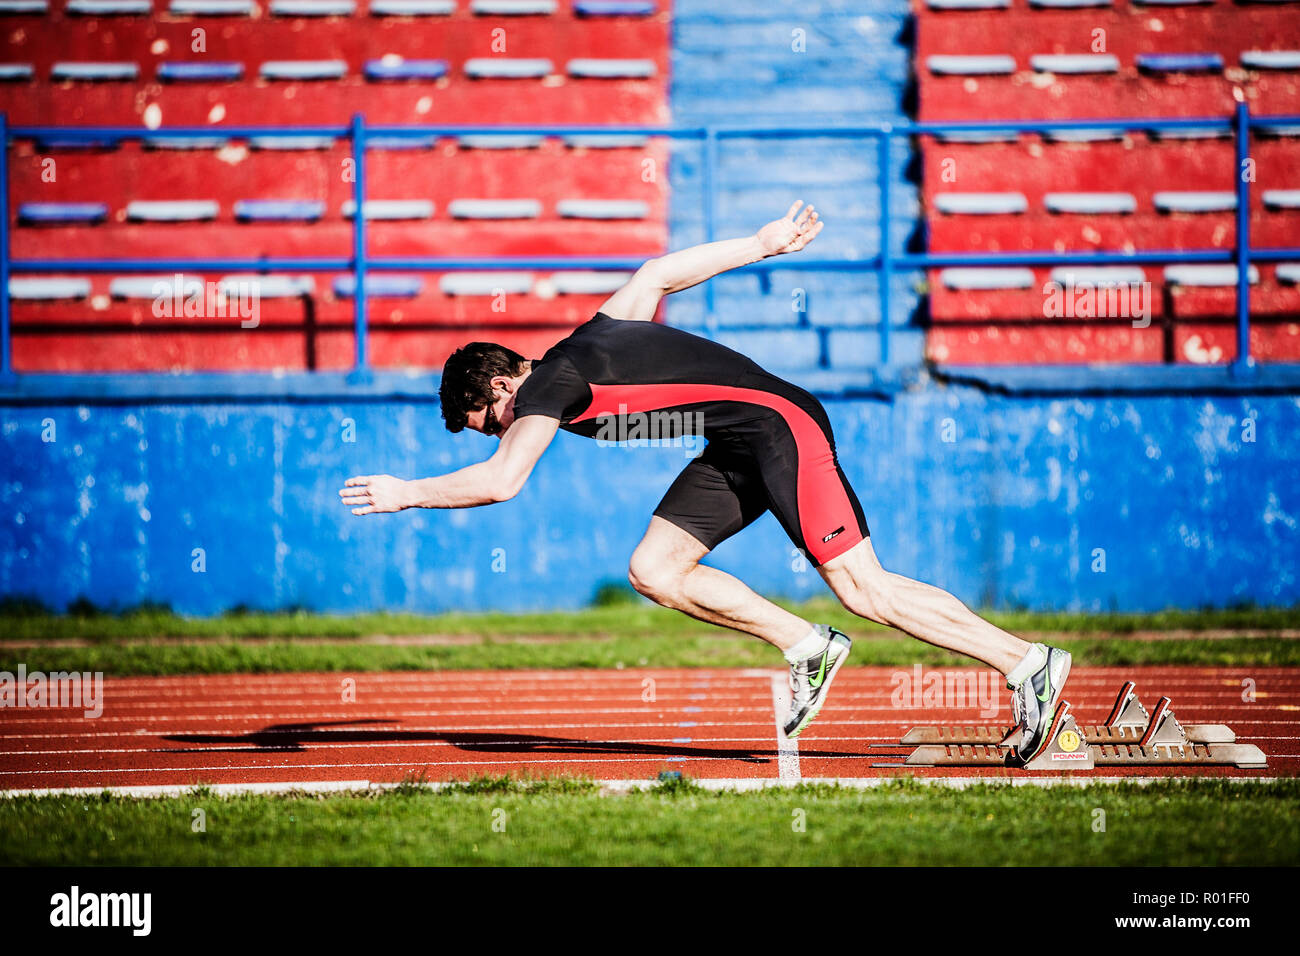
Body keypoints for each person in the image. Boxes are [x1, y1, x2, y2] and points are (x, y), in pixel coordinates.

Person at [339, 201, 1071, 760]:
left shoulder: (544, 388)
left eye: (488, 420)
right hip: (735, 442)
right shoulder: (584, 340)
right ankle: (806, 646)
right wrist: (757, 245)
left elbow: (503, 481)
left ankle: (1026, 663)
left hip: (780, 426)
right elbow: (655, 276)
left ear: (502, 388)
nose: (501, 429)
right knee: (654, 568)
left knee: (863, 587)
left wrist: (408, 493)